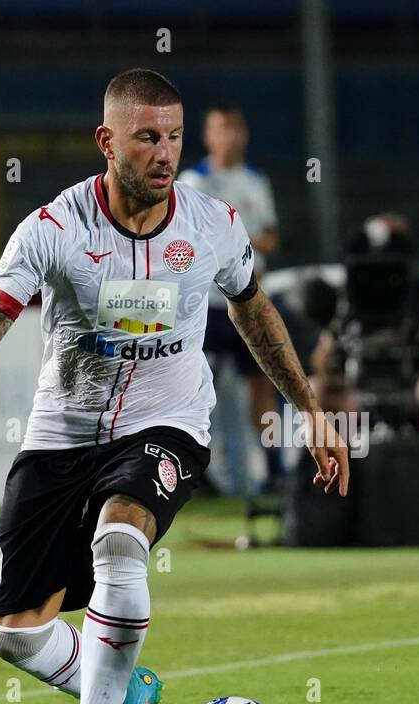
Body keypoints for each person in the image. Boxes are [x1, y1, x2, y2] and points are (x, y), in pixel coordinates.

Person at [0, 69, 349, 704]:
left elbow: (251, 307)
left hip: (166, 423)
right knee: (12, 633)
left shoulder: (212, 223)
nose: (164, 153)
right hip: (62, 432)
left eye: (174, 136)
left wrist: (307, 405)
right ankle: (128, 697)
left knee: (121, 540)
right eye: (147, 137)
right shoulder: (55, 228)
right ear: (106, 142)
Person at [178, 105, 283, 492]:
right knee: (194, 387)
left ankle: (273, 468)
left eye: (235, 128)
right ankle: (195, 472)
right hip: (206, 303)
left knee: (262, 381)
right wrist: (243, 239)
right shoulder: (195, 181)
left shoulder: (256, 180)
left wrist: (236, 236)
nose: (230, 137)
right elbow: (195, 239)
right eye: (221, 129)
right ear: (208, 136)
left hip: (250, 301)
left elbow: (271, 237)